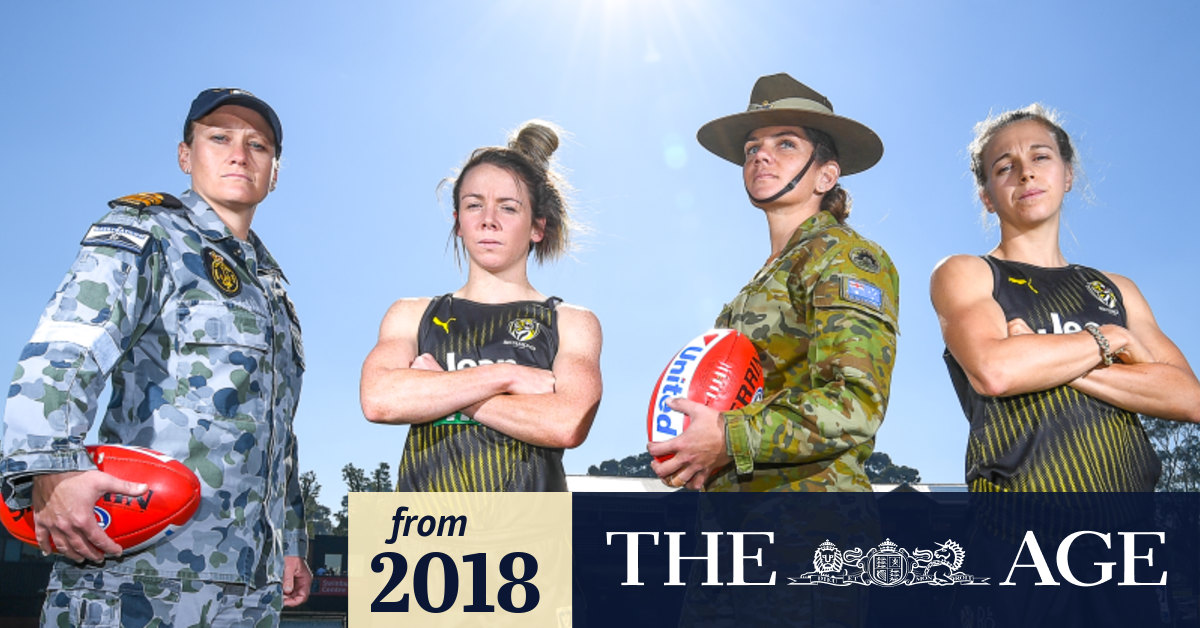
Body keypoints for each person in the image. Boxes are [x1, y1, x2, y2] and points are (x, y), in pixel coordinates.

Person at [0, 88, 311, 624]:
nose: (239, 154)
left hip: (247, 587)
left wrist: (290, 540)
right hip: (138, 573)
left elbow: (277, 429)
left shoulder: (274, 289)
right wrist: (51, 468)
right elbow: (67, 343)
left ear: (275, 172)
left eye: (257, 145)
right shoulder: (150, 233)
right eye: (219, 138)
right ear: (185, 156)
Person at [648, 73, 900, 491]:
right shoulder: (760, 281)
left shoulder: (844, 257)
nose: (761, 157)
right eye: (752, 148)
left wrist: (729, 436)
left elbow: (855, 403)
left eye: (785, 144)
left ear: (826, 176)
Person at [930, 104, 1200, 491]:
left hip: (1128, 527)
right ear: (986, 197)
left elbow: (1188, 397)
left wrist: (1040, 353)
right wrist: (1112, 341)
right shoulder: (967, 272)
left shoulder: (1116, 289)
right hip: (1018, 524)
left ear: (1068, 174)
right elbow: (996, 372)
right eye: (1005, 167)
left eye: (1040, 156)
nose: (1026, 173)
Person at [360, 120, 602, 491]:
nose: (488, 220)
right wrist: (506, 376)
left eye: (508, 208)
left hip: (531, 536)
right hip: (422, 536)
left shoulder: (571, 322)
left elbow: (566, 423)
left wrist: (441, 388)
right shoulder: (411, 314)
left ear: (537, 227)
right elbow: (379, 399)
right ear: (458, 222)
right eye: (474, 205)